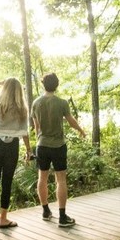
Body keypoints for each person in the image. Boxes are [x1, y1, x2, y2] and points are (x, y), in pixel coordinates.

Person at [31, 72, 86, 227]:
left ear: (43, 84)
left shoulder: (36, 103)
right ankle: (62, 217)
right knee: (60, 180)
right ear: (57, 85)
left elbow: (36, 128)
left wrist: (39, 139)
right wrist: (81, 130)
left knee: (42, 178)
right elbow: (71, 121)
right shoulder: (62, 103)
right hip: (58, 146)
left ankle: (46, 211)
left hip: (42, 145)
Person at [0, 78, 32, 229]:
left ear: (5, 88)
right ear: (19, 91)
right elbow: (24, 133)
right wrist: (29, 150)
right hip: (11, 148)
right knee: (7, 182)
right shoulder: (21, 108)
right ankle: (3, 218)